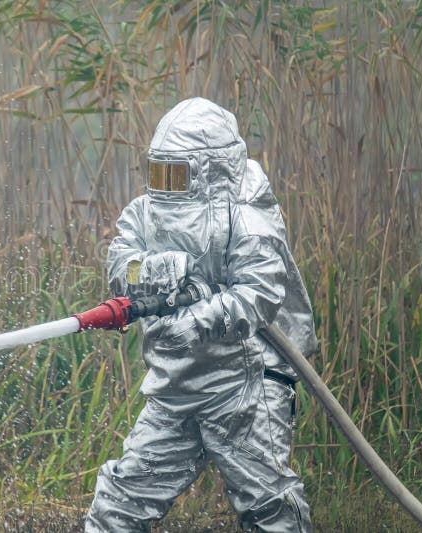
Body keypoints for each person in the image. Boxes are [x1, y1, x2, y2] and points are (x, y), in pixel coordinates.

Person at [86, 98, 317, 532]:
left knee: (270, 510)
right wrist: (161, 270)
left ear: (210, 169)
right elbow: (121, 266)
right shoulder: (147, 212)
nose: (165, 185)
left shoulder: (247, 215)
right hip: (176, 387)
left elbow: (260, 294)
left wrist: (195, 323)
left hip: (247, 385)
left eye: (177, 174)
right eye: (159, 172)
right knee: (121, 502)